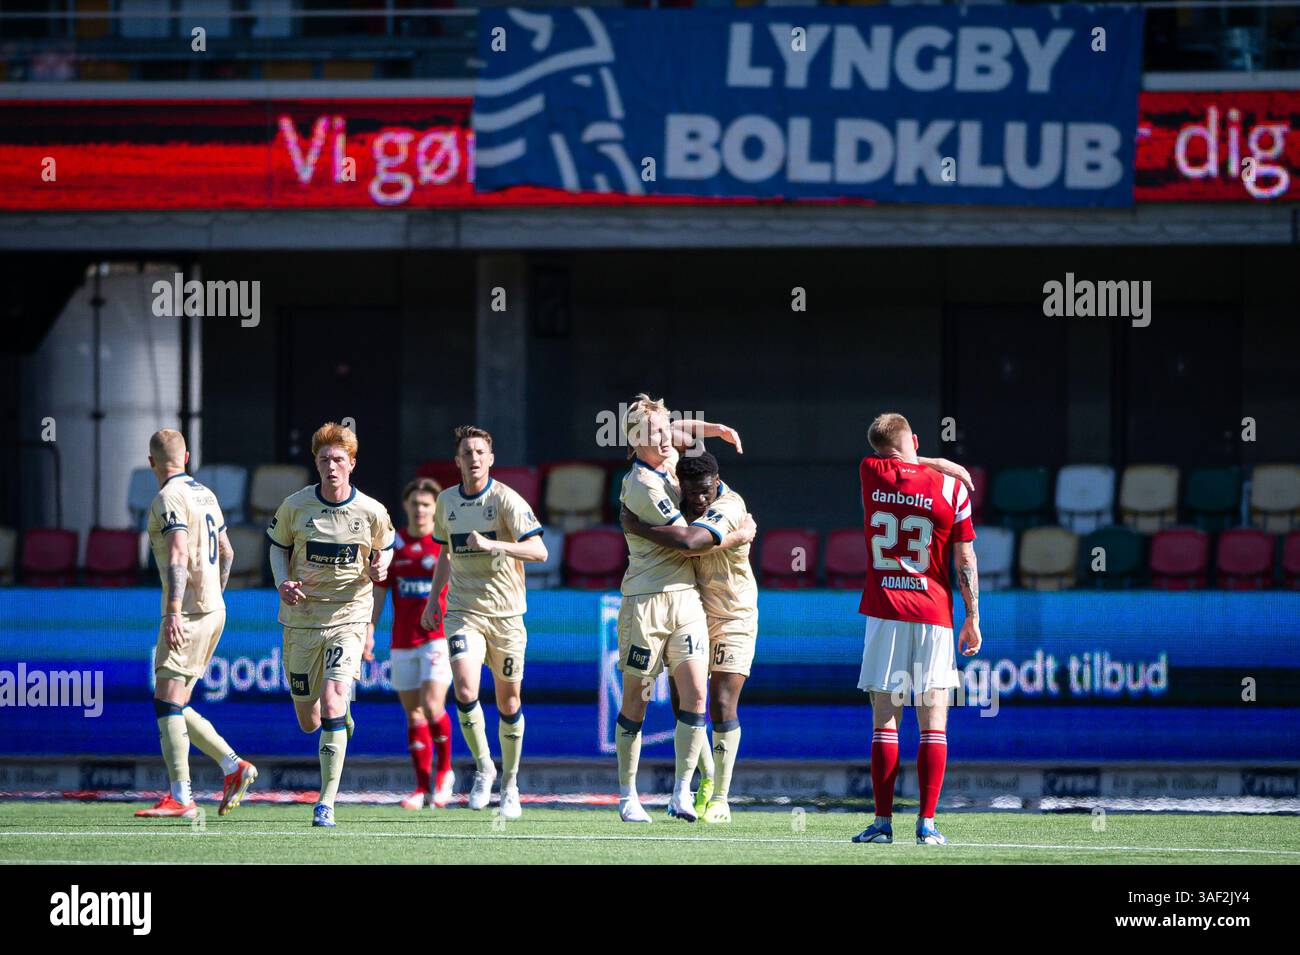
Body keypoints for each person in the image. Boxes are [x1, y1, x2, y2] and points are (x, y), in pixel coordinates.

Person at [612, 394, 748, 823]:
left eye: (666, 428)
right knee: (637, 698)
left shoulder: (666, 456)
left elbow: (681, 431)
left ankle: (681, 792)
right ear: (634, 441)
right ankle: (627, 795)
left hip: (687, 600)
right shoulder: (642, 483)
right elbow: (688, 541)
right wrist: (737, 535)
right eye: (654, 433)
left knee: (695, 696)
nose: (667, 437)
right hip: (646, 600)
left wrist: (716, 429)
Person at [852, 413, 981, 847]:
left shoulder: (871, 472)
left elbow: (897, 458)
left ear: (878, 451)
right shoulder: (953, 487)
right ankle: (927, 823)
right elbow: (965, 559)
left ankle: (882, 823)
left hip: (886, 611)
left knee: (885, 724)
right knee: (934, 724)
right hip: (933, 614)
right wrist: (973, 617)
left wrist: (930, 459)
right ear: (914, 440)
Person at [266, 422, 396, 828]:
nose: (331, 466)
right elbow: (276, 547)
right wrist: (280, 582)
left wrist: (381, 565)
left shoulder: (372, 511)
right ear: (316, 464)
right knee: (310, 720)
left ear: (352, 464)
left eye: (339, 459)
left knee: (336, 699)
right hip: (302, 619)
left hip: (349, 615)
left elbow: (387, 549)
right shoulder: (295, 506)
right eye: (324, 460)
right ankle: (335, 721)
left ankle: (325, 803)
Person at [419, 425, 547, 820]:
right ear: (457, 461)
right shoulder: (446, 502)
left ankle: (510, 784)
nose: (474, 458)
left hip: (507, 616)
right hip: (463, 611)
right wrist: (433, 599)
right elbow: (445, 552)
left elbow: (539, 551)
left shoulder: (506, 500)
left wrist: (496, 545)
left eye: (480, 452)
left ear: (490, 459)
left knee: (509, 702)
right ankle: (484, 767)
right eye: (467, 453)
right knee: (465, 686)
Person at [136, 429, 257, 819]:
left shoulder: (167, 497)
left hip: (186, 611)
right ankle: (233, 765)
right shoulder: (205, 494)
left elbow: (177, 555)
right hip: (214, 609)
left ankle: (181, 797)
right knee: (174, 702)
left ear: (151, 462)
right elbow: (227, 551)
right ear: (186, 456)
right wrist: (215, 596)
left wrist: (174, 609)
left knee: (167, 700)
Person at [371, 477, 455, 810]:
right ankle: (421, 788)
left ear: (435, 509)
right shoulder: (396, 545)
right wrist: (368, 631)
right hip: (402, 641)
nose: (420, 510)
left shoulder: (444, 545)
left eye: (426, 504)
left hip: (437, 638)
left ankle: (445, 773)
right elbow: (379, 593)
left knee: (434, 706)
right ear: (405, 507)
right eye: (415, 504)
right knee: (414, 715)